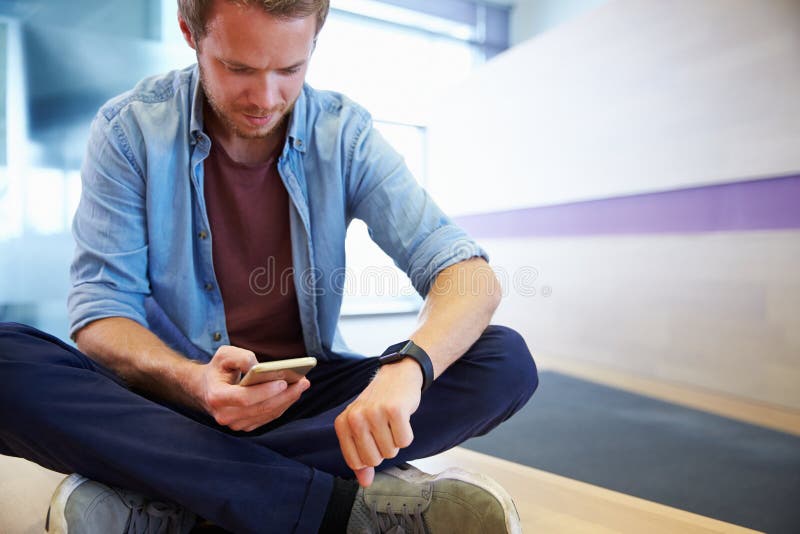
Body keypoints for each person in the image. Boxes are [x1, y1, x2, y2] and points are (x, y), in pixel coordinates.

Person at [0, 0, 538, 532]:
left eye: (290, 69)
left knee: (504, 360)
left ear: (313, 44)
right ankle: (331, 506)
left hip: (303, 400)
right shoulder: (129, 130)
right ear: (191, 33)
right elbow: (100, 315)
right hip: (170, 402)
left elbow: (467, 273)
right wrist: (194, 383)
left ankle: (172, 490)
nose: (265, 97)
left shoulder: (343, 133)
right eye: (238, 68)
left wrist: (409, 367)